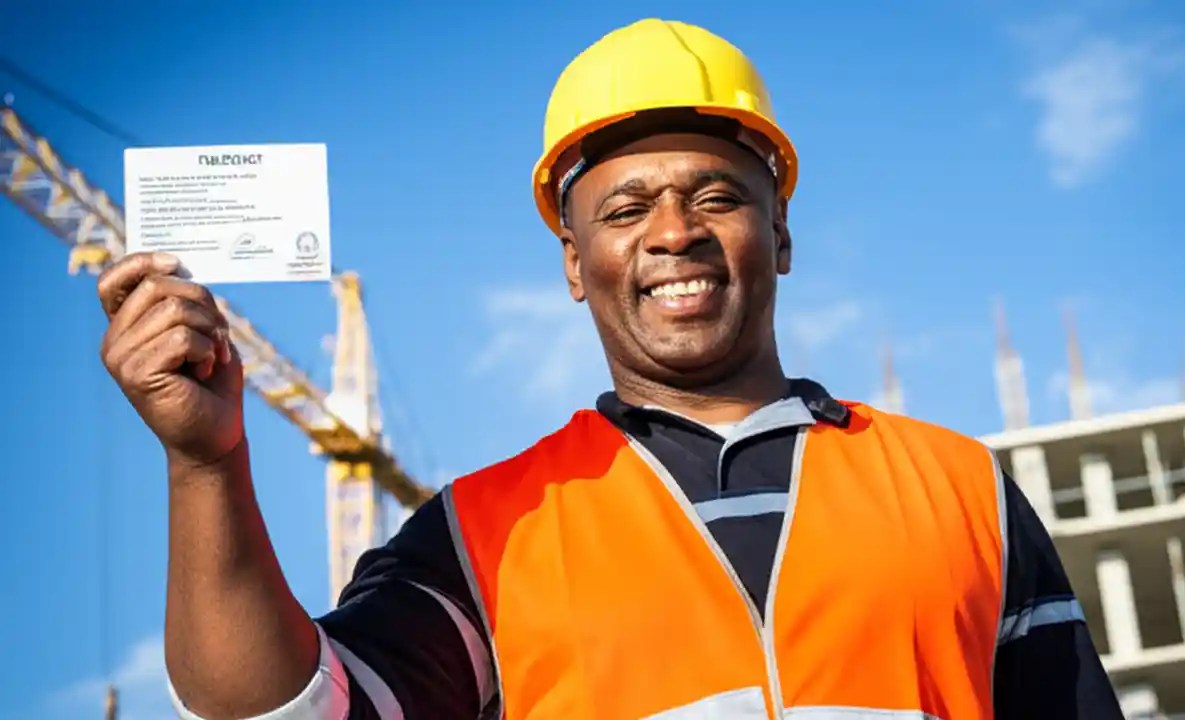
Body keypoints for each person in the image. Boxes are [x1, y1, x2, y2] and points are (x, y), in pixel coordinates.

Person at [97, 17, 1123, 720]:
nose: (672, 232)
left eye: (715, 197)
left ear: (781, 233)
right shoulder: (482, 535)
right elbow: (281, 710)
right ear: (574, 268)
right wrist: (207, 466)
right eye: (625, 211)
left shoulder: (960, 490)